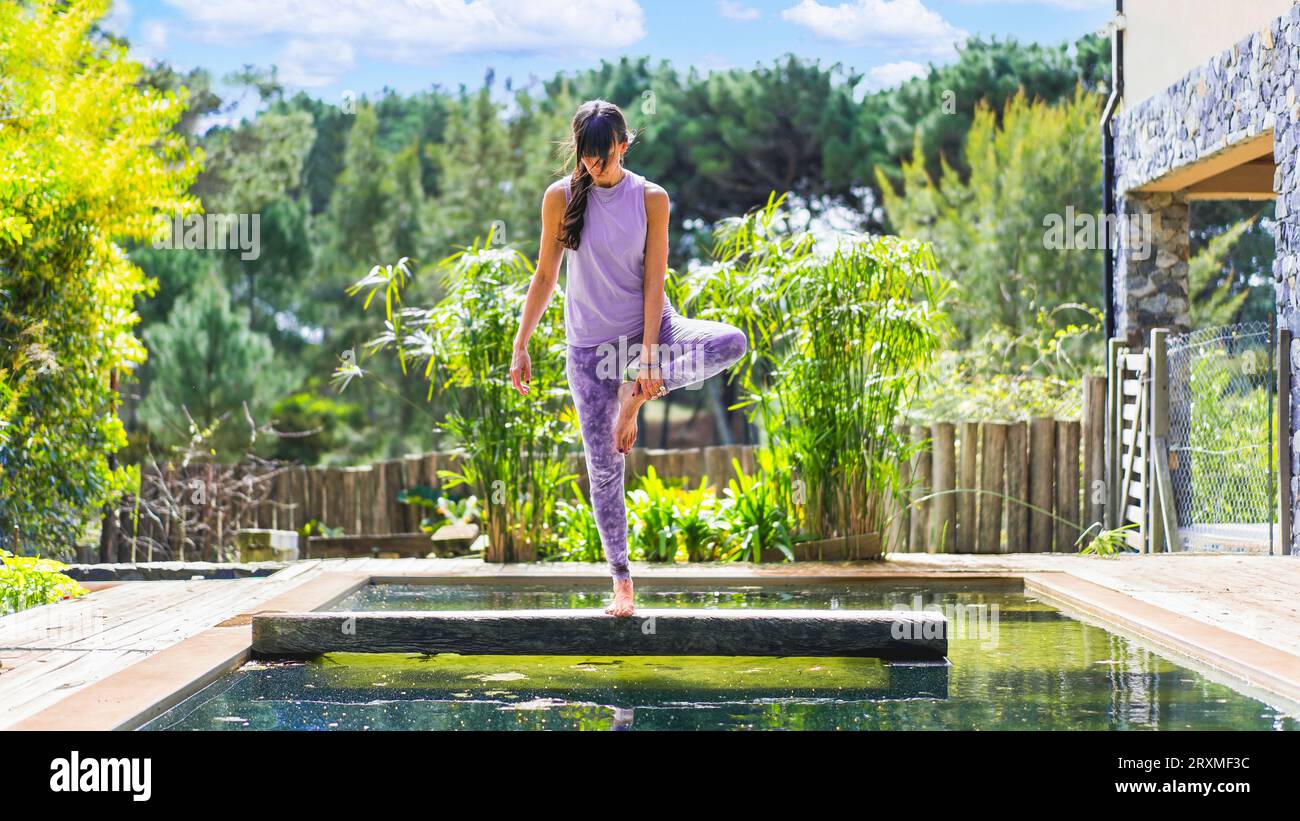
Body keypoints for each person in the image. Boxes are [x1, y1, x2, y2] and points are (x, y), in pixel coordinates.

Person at [511, 99, 747, 617]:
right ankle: (621, 581)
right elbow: (546, 275)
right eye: (587, 157)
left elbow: (654, 280)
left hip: (652, 328)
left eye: (605, 155)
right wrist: (521, 342)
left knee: (731, 342)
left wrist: (646, 363)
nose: (596, 166)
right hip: (589, 351)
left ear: (624, 144)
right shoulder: (561, 197)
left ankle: (633, 397)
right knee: (603, 468)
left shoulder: (651, 199)